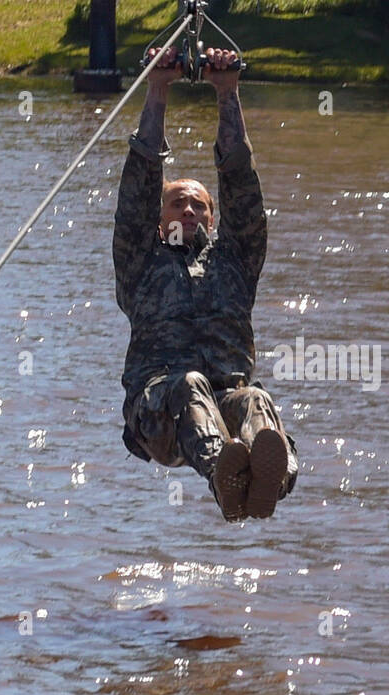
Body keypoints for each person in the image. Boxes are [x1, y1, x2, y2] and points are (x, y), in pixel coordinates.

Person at [113, 45, 298, 522]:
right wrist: (158, 87)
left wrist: (227, 91)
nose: (189, 210)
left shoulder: (234, 261)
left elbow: (241, 187)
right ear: (159, 220)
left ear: (212, 221)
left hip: (226, 402)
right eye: (177, 203)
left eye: (199, 206)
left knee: (255, 397)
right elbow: (138, 186)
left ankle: (270, 477)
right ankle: (227, 476)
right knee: (190, 384)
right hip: (161, 414)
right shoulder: (140, 261)